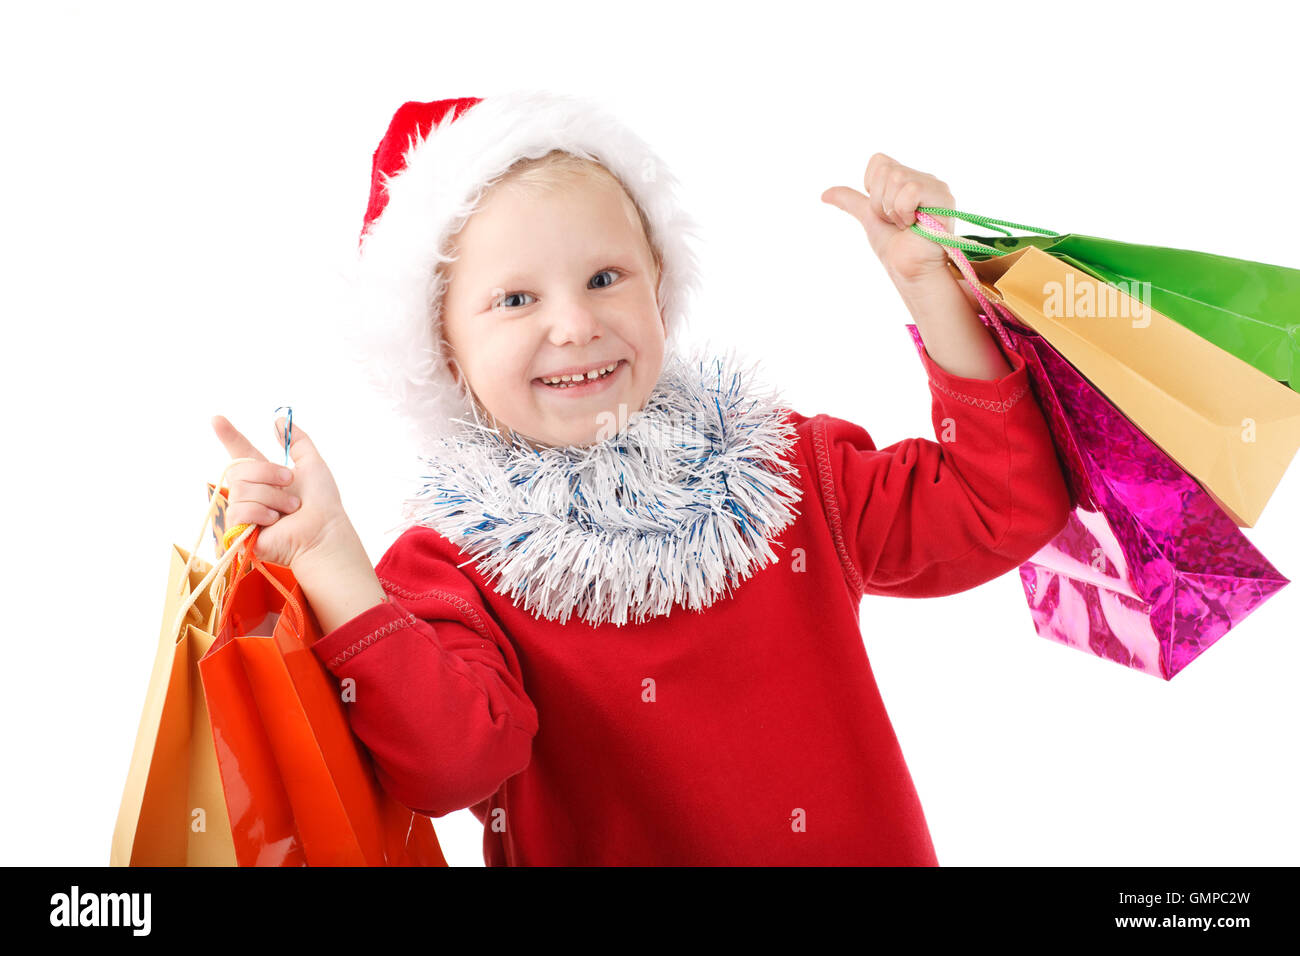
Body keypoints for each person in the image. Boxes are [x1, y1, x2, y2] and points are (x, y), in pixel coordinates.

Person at [211, 90, 1072, 866]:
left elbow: (1002, 505)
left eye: (605, 277)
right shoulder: (450, 572)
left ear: (659, 286)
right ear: (443, 348)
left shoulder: (786, 474)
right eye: (515, 300)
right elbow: (452, 766)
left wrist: (934, 288)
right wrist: (331, 564)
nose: (576, 323)